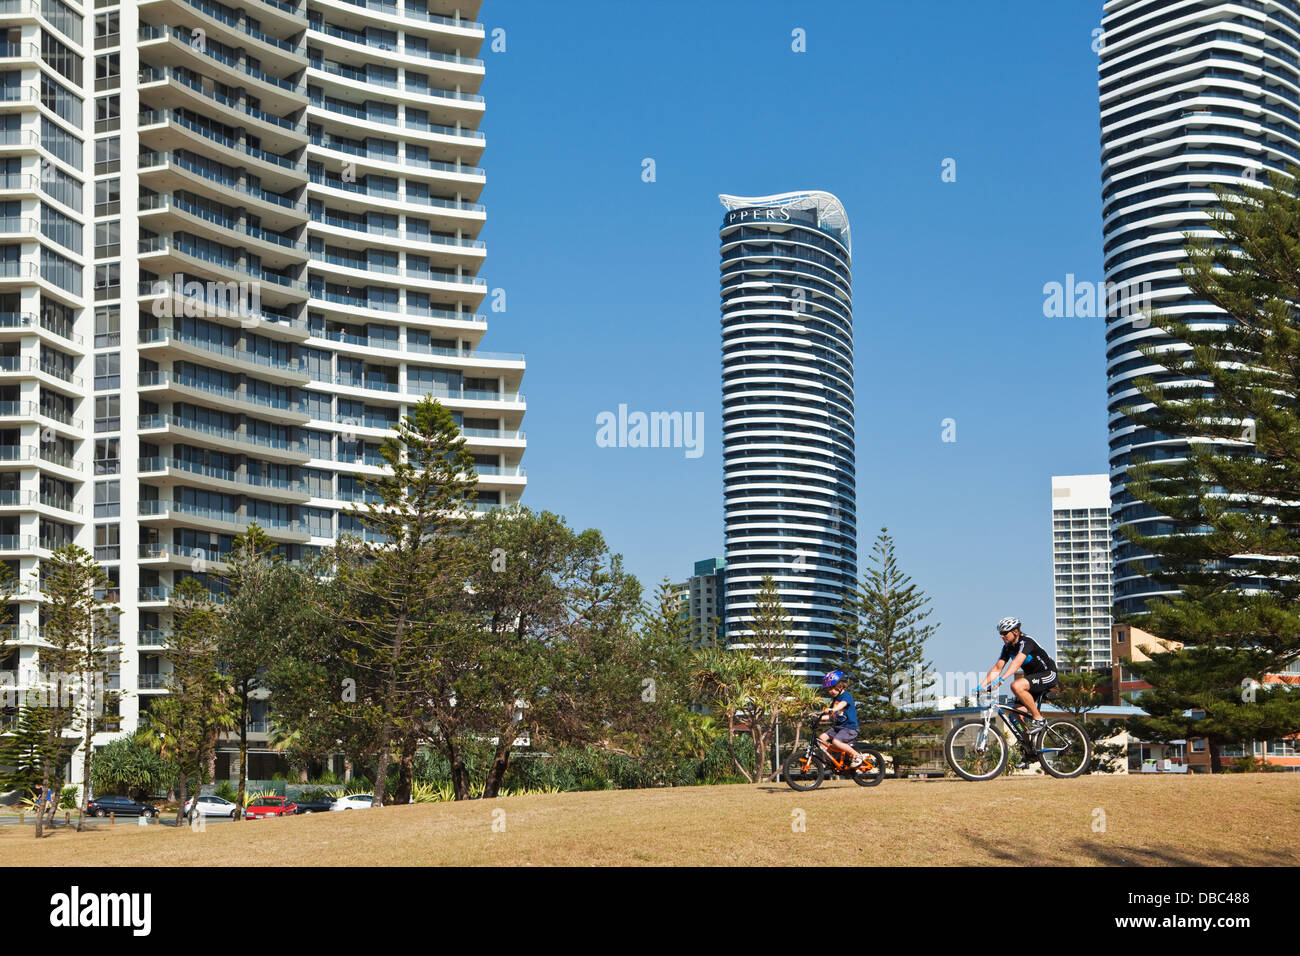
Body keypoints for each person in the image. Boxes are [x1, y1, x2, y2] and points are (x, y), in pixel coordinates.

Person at [978, 617, 1058, 734]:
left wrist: (1001, 680)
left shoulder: (1026, 642)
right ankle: (1029, 747)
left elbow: (1017, 663)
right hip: (1032, 680)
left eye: (1005, 633)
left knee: (1016, 686)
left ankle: (1039, 719)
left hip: (1048, 674)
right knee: (1015, 715)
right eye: (1000, 633)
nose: (1002, 636)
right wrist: (981, 686)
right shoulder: (1007, 648)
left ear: (1015, 631)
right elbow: (997, 668)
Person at [816, 670, 865, 767]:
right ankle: (829, 760)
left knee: (836, 742)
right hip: (838, 728)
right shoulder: (835, 700)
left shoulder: (846, 696)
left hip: (849, 728)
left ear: (841, 685)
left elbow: (843, 704)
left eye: (833, 688)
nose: (831, 691)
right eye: (829, 689)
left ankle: (857, 756)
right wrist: (819, 718)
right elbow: (832, 716)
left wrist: (833, 709)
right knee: (821, 739)